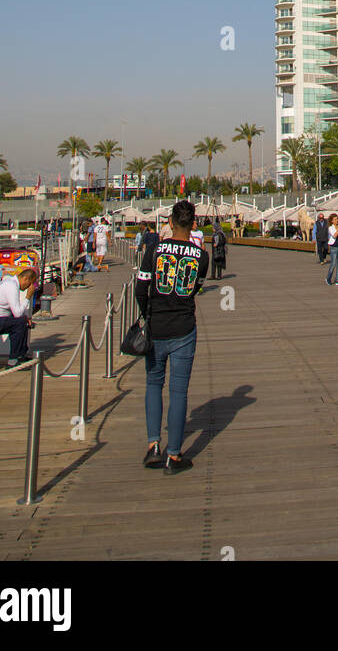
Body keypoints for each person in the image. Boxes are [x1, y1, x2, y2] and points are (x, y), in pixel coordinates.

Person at [136, 201, 209, 473]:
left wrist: (147, 315)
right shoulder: (201, 256)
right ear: (193, 224)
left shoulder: (154, 250)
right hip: (184, 327)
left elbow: (141, 288)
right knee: (179, 391)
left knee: (154, 384)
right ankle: (174, 455)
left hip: (157, 327)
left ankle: (153, 445)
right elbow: (196, 289)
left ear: (169, 222)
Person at [0, 266, 38, 364]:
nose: (29, 287)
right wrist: (28, 297)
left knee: (22, 320)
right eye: (30, 284)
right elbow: (17, 314)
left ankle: (21, 354)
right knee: (20, 323)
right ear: (25, 279)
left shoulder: (10, 282)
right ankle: (13, 359)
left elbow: (16, 311)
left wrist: (26, 317)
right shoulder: (11, 286)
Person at [325, 214, 338, 286]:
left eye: (337, 219)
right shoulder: (331, 228)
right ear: (332, 221)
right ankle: (328, 278)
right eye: (335, 219)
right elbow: (334, 235)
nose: (337, 220)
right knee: (333, 263)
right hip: (334, 247)